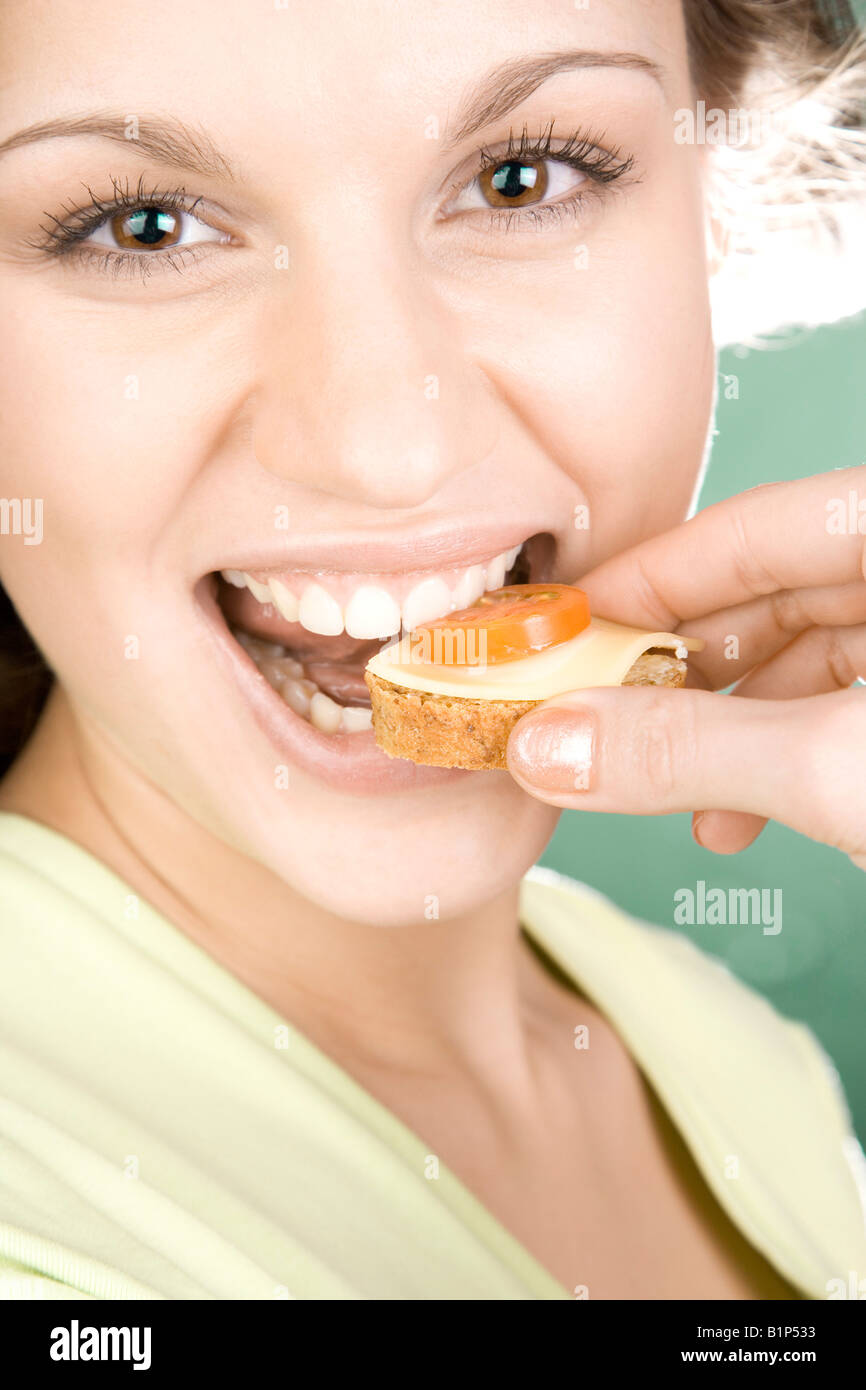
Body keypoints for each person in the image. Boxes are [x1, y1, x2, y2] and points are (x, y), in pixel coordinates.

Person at [1, 0, 865, 1301]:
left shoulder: (740, 1055)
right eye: (145, 228)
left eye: (524, 179)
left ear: (713, 208)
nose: (386, 450)